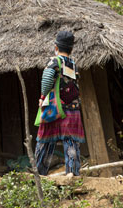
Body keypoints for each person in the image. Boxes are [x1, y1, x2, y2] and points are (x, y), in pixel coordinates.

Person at [35, 30, 86, 176]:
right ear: (71, 49)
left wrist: (42, 97)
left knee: (44, 140)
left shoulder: (54, 61)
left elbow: (47, 80)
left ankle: (39, 174)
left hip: (55, 109)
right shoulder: (73, 64)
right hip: (73, 109)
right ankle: (73, 174)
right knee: (71, 141)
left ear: (56, 47)